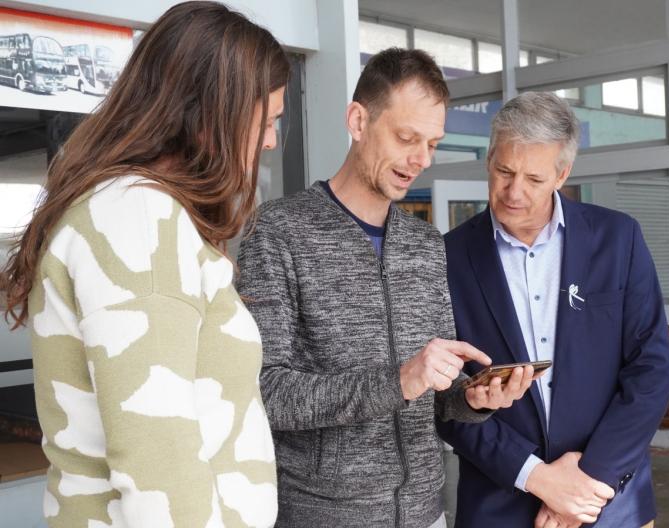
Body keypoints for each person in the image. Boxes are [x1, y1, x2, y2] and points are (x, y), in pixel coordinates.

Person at [0, 2, 288, 526]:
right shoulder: (139, 217)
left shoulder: (131, 209)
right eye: (267, 121)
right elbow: (159, 460)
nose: (270, 141)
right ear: (212, 114)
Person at [236, 47, 539, 528]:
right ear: (358, 120)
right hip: (324, 517)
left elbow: (438, 394)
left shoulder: (424, 244)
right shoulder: (276, 233)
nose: (420, 159)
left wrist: (473, 399)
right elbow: (266, 391)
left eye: (433, 144)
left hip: (426, 514)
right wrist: (397, 382)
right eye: (406, 138)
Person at [437, 92, 669, 528]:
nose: (513, 192)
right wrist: (538, 479)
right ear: (489, 158)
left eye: (533, 178)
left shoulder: (618, 239)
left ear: (562, 173)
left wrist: (587, 481)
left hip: (609, 502)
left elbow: (652, 370)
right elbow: (443, 400)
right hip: (499, 503)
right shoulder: (445, 257)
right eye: (504, 171)